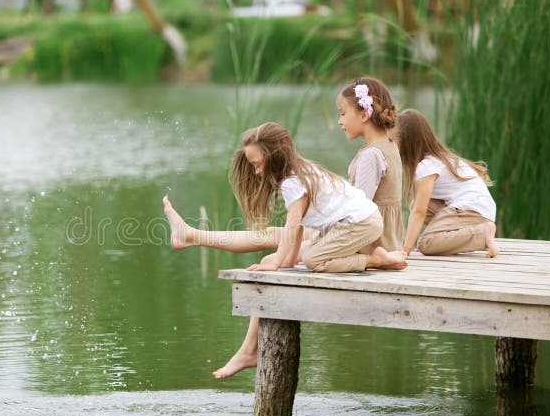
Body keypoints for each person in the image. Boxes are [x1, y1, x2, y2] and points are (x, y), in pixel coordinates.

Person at [163, 122, 407, 378]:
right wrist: (283, 261)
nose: (256, 172)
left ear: (273, 156)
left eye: (257, 164)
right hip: (353, 224)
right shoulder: (299, 172)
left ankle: (373, 260)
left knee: (313, 259)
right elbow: (299, 225)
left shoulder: (293, 181)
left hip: (361, 224)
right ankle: (248, 350)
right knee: (274, 257)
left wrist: (279, 261)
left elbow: (292, 225)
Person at [396, 109, 499, 258]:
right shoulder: (440, 158)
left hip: (472, 210)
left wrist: (405, 250)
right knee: (416, 205)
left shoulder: (426, 166)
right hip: (478, 208)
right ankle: (444, 241)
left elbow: (420, 212)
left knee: (426, 243)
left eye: (394, 142)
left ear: (408, 142)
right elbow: (420, 208)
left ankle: (482, 234)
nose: (393, 147)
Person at [338, 77, 404, 251]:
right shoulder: (391, 147)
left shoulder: (371, 155)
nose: (340, 121)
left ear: (365, 114)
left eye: (343, 113)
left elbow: (359, 209)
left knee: (304, 248)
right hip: (391, 243)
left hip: (371, 244)